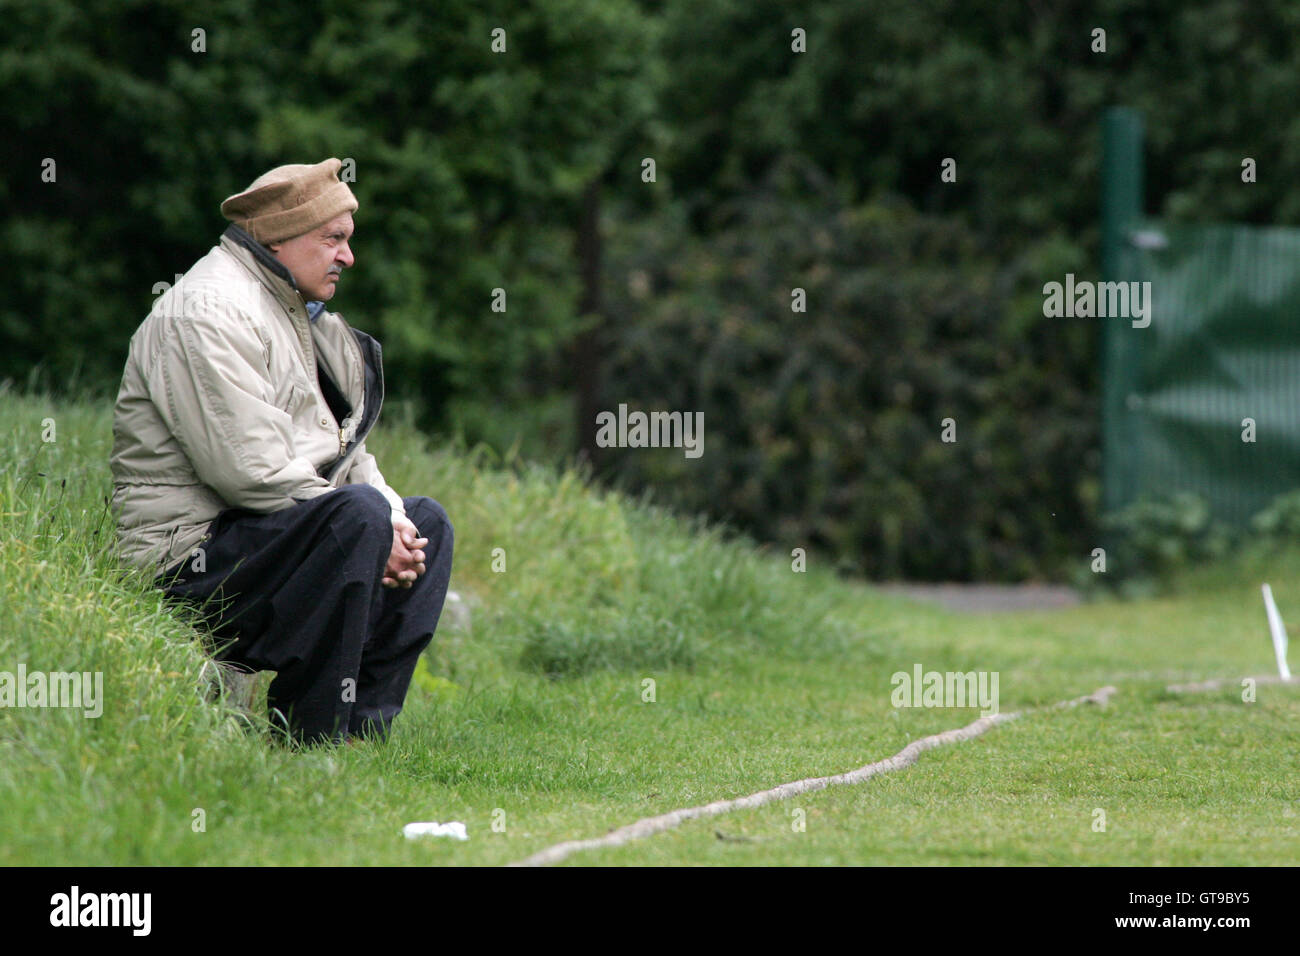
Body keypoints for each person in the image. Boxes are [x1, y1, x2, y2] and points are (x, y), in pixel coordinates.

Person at [109, 158, 453, 746]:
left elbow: (344, 451)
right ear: (280, 238)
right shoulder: (207, 312)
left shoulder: (296, 313)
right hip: (186, 557)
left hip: (257, 537)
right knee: (359, 519)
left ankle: (357, 739)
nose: (348, 257)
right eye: (334, 240)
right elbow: (251, 472)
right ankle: (307, 739)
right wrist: (373, 528)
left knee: (425, 523)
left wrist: (396, 523)